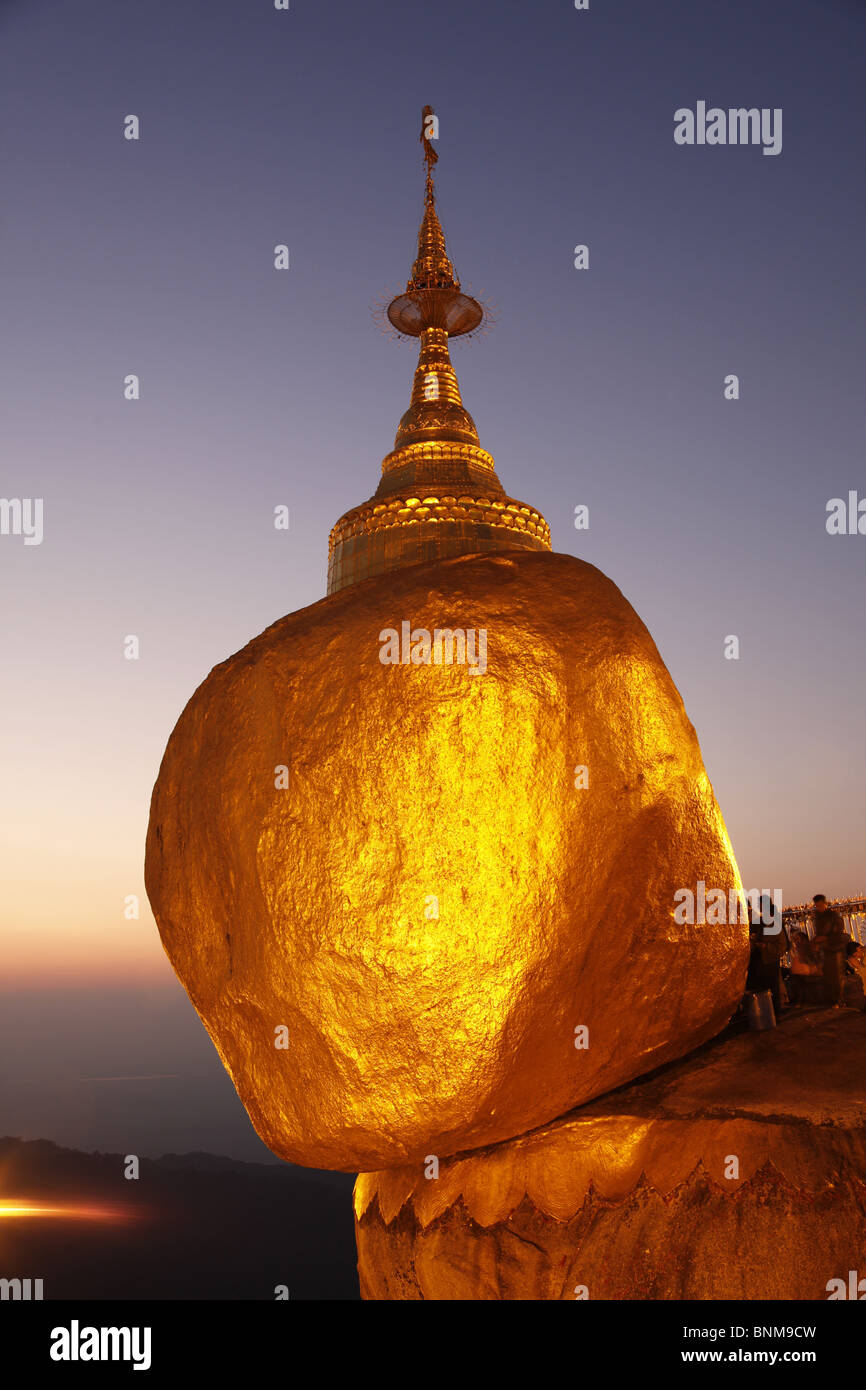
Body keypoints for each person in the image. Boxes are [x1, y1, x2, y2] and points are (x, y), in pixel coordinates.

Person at [811, 894, 848, 1008]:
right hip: (825, 949)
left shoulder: (833, 916)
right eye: (817, 906)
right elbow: (818, 933)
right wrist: (816, 942)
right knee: (828, 976)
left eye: (820, 905)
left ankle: (839, 1000)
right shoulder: (817, 917)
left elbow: (839, 934)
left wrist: (825, 938)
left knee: (837, 975)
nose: (819, 908)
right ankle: (833, 1000)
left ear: (825, 903)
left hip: (835, 948)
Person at [787, 930, 821, 1006]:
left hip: (806, 970)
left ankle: (798, 1001)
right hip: (799, 971)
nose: (796, 941)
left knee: (798, 981)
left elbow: (810, 961)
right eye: (794, 939)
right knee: (795, 980)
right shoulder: (795, 949)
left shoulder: (805, 948)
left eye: (797, 939)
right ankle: (796, 1000)